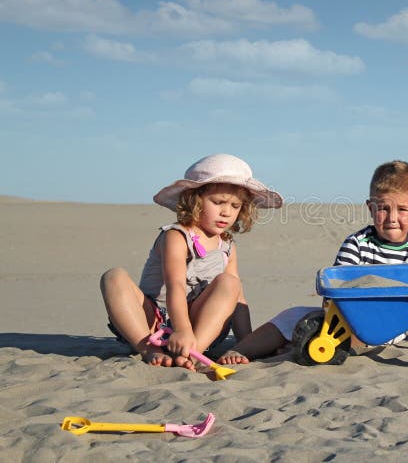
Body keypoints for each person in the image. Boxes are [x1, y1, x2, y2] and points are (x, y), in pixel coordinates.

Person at [219, 160, 408, 364]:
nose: (392, 218)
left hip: (387, 330)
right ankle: (241, 350)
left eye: (402, 210)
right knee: (293, 316)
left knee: (329, 339)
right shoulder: (358, 244)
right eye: (383, 208)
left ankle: (296, 348)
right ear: (371, 208)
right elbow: (336, 291)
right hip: (348, 318)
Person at [100, 153, 282, 370]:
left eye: (235, 206)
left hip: (199, 330)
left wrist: (246, 344)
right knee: (113, 277)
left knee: (231, 283)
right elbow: (174, 284)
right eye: (218, 202)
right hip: (152, 324)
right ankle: (150, 351)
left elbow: (237, 300)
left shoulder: (227, 246)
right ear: (194, 200)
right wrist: (181, 329)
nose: (226, 212)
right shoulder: (177, 236)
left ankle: (192, 355)